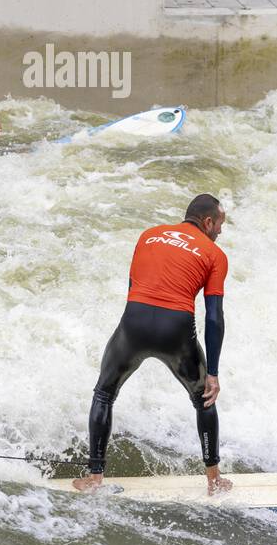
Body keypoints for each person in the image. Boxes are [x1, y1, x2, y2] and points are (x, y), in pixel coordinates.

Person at [73, 194, 231, 497]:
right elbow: (214, 316)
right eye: (220, 224)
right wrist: (212, 372)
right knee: (204, 399)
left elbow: (134, 286)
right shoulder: (214, 254)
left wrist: (133, 330)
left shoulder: (148, 235)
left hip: (134, 322)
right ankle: (214, 480)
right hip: (177, 328)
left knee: (104, 393)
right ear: (208, 222)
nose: (220, 232)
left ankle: (94, 479)